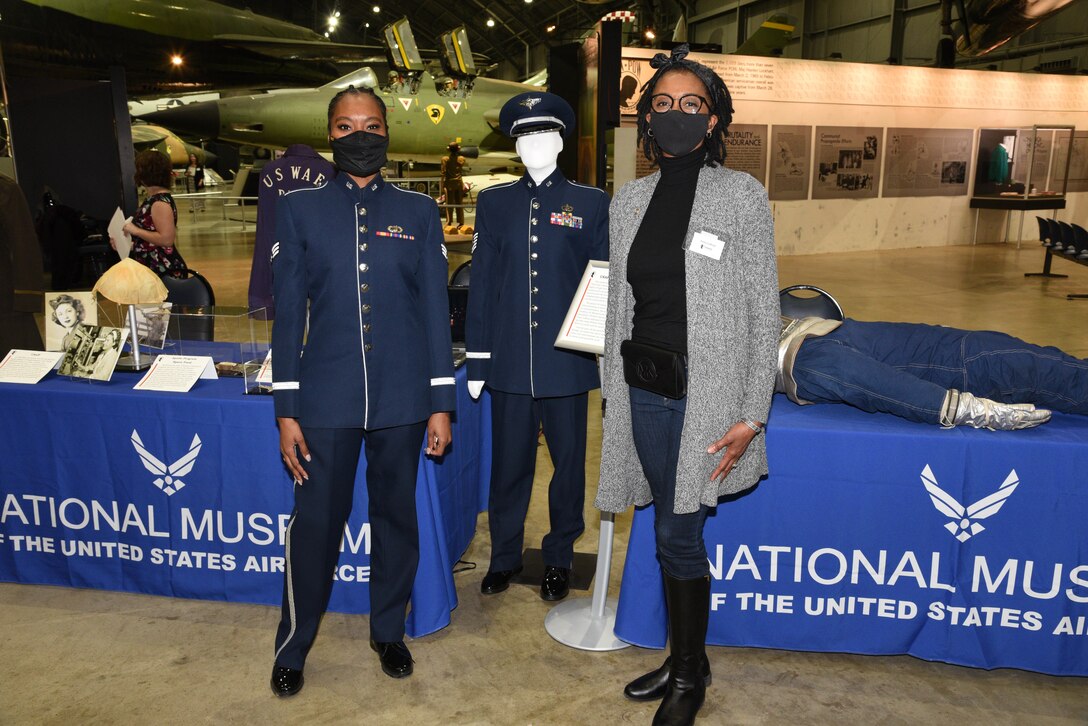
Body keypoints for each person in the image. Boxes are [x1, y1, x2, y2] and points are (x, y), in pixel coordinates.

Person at [594, 45, 780, 726]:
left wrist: (751, 413)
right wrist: (613, 391)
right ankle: (683, 659)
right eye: (662, 106)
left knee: (678, 535)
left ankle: (691, 674)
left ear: (712, 121)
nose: (675, 115)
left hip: (710, 400)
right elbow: (620, 304)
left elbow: (766, 311)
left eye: (690, 105)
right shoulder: (630, 199)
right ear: (646, 121)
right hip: (644, 390)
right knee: (668, 533)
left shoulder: (741, 196)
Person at [269, 85, 455, 697]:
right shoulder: (299, 210)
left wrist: (440, 401)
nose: (360, 135)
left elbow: (434, 312)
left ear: (387, 132)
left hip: (403, 400)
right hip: (324, 397)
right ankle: (295, 643)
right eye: (346, 126)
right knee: (316, 522)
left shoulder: (419, 212)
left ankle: (387, 631)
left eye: (371, 124)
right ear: (330, 135)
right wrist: (287, 409)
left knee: (395, 517)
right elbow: (288, 313)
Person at [465, 92, 609, 603]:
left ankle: (559, 558)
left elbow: (604, 283)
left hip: (567, 363)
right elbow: (481, 283)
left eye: (543, 134)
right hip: (506, 364)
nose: (533, 145)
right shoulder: (494, 203)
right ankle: (504, 556)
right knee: (509, 468)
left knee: (569, 467)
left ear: (561, 140)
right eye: (523, 136)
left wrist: (603, 354)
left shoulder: (591, 203)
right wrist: (478, 358)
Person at [778, 316, 1087, 426]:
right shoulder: (808, 361)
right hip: (978, 365)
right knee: (1072, 377)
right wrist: (975, 410)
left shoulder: (807, 354)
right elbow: (887, 389)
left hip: (975, 358)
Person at [249, 144, 334, 316]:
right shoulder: (327, 170)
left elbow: (265, 220)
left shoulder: (269, 170)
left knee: (287, 316)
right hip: (316, 256)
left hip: (278, 252)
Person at [116, 150, 188, 279]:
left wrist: (136, 231)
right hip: (153, 267)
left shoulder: (159, 202)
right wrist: (128, 245)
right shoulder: (155, 199)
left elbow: (166, 240)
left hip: (163, 271)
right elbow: (152, 240)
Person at [440, 142, 466, 230]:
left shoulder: (445, 159)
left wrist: (441, 185)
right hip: (459, 183)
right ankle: (461, 222)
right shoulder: (461, 159)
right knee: (459, 203)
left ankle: (449, 221)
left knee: (449, 203)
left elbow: (443, 173)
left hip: (449, 184)